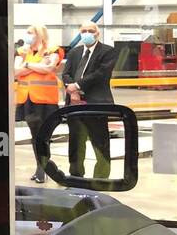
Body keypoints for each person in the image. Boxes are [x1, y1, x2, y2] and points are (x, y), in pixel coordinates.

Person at [61, 20, 117, 180]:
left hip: (96, 104)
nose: (87, 33)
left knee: (100, 143)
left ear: (97, 33)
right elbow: (66, 73)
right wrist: (71, 90)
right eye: (84, 30)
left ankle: (101, 178)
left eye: (90, 30)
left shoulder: (107, 52)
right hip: (74, 104)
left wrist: (77, 86)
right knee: (76, 143)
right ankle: (76, 176)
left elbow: (101, 74)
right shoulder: (74, 52)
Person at [14, 23, 60, 183]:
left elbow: (48, 68)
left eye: (30, 33)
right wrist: (36, 66)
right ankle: (40, 167)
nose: (27, 35)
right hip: (26, 98)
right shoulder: (21, 51)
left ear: (40, 35)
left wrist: (26, 65)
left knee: (43, 136)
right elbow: (15, 71)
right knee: (34, 135)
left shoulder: (52, 50)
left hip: (44, 100)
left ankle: (44, 168)